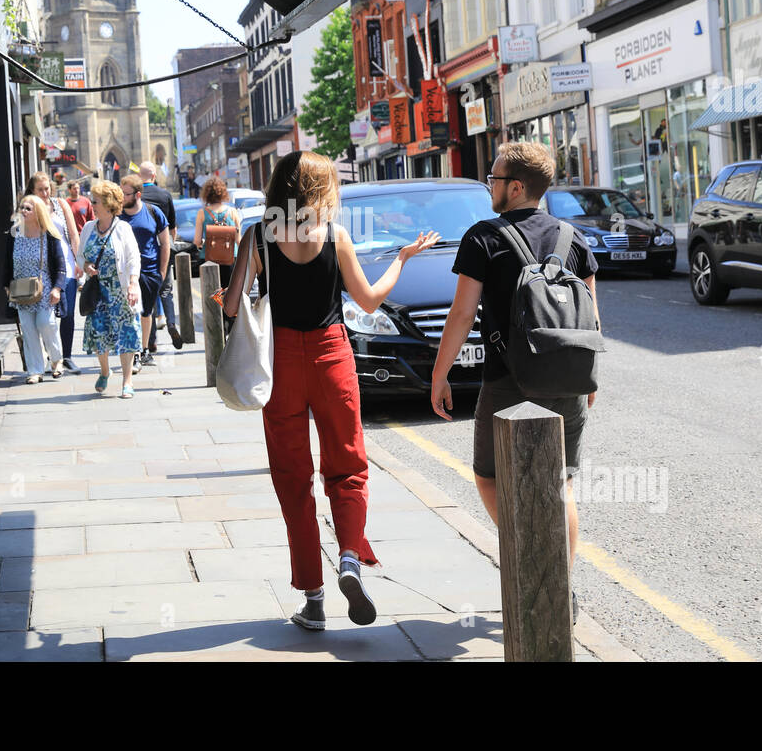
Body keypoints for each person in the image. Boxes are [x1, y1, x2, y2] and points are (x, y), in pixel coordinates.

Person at [222, 150, 439, 632]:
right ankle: (349, 559)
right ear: (321, 189)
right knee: (347, 465)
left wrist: (235, 284)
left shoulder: (257, 235)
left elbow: (233, 306)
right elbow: (368, 300)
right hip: (332, 357)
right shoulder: (335, 236)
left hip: (280, 362)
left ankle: (313, 598)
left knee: (292, 477)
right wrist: (401, 259)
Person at [429, 141, 600, 621]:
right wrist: (590, 379)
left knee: (488, 476)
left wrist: (440, 374)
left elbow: (462, 314)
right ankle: (559, 586)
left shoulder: (483, 238)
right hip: (568, 379)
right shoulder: (573, 238)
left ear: (517, 187)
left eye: (495, 179)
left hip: (508, 381)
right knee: (561, 484)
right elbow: (590, 317)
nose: (490, 186)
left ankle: (532, 551)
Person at [76, 180, 142, 399]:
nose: (92, 206)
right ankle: (105, 371)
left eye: (95, 202)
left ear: (108, 203)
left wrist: (133, 284)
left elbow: (133, 258)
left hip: (119, 291)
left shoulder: (123, 229)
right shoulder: (88, 228)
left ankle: (127, 381)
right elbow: (80, 256)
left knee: (127, 333)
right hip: (97, 292)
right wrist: (86, 265)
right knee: (99, 334)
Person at [5, 195, 67, 383]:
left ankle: (56, 359)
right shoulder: (15, 234)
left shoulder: (49, 234)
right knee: (28, 329)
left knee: (45, 323)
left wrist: (57, 288)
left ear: (38, 212)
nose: (23, 211)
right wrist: (6, 285)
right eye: (22, 208)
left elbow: (60, 265)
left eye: (28, 208)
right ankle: (35, 371)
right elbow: (6, 262)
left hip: (44, 288)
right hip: (20, 289)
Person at [26, 172, 82, 374]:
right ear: (32, 190)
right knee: (44, 317)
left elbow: (73, 235)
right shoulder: (28, 208)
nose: (45, 193)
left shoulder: (60, 205)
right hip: (40, 269)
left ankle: (66, 356)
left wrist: (79, 261)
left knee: (68, 313)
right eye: (40, 190)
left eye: (47, 188)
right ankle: (51, 356)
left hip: (66, 264)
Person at [118, 174, 171, 371]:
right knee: (130, 313)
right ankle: (135, 354)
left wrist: (162, 272)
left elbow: (165, 243)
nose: (122, 197)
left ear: (138, 194)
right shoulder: (117, 215)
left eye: (126, 194)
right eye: (121, 193)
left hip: (149, 271)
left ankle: (144, 349)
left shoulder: (153, 212)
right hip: (125, 272)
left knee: (145, 313)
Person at [138, 160, 182, 352]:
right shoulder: (164, 195)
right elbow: (172, 228)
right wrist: (170, 246)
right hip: (164, 249)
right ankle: (171, 323)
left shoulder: (137, 196)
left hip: (145, 251)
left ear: (140, 176)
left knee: (148, 294)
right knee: (166, 291)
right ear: (154, 176)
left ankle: (151, 340)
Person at [193, 175, 241, 291]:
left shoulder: (202, 213)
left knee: (211, 293)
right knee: (229, 293)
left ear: (206, 194)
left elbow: (197, 241)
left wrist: (202, 243)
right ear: (223, 193)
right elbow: (238, 240)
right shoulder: (233, 212)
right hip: (230, 257)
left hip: (209, 259)